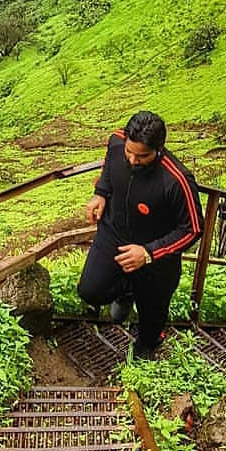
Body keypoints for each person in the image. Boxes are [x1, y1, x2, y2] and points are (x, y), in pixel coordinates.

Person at [78, 111, 202, 359]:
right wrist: (101, 193)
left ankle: (147, 343)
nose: (133, 160)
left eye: (142, 156)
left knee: (151, 321)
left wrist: (148, 253)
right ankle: (126, 290)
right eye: (129, 152)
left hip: (155, 255)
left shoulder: (177, 180)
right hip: (114, 234)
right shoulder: (116, 142)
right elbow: (109, 167)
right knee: (90, 291)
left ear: (159, 149)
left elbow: (193, 229)